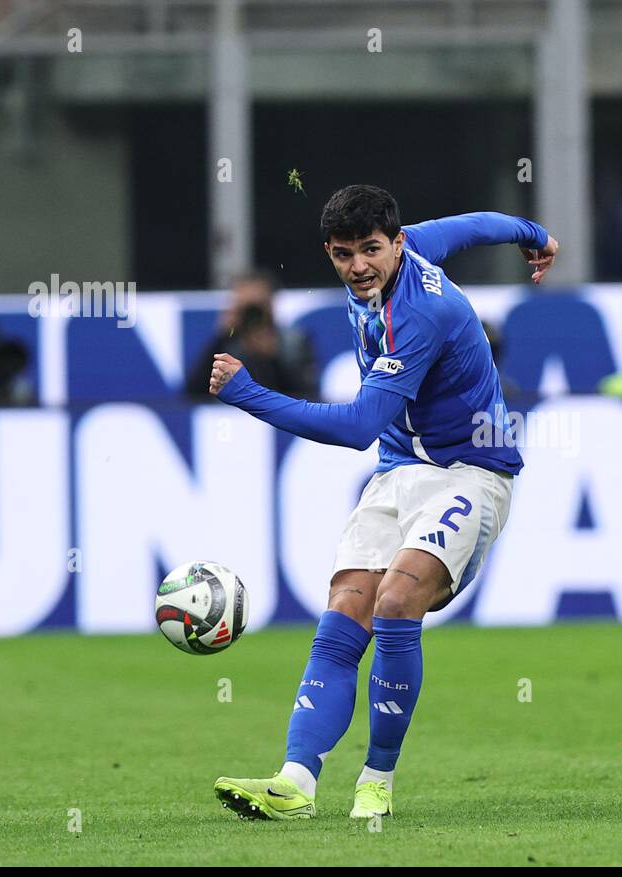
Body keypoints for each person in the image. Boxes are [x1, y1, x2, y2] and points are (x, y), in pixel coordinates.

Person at [208, 185, 559, 821]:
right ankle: (296, 781)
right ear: (331, 252)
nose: (359, 267)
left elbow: (356, 426)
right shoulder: (410, 245)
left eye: (371, 251)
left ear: (395, 244)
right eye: (345, 255)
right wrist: (532, 234)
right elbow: (470, 223)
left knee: (397, 600)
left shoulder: (419, 314)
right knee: (345, 609)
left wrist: (248, 394)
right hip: (399, 472)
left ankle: (378, 779)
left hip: (471, 472)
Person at [186, 269, 318, 401]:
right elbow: (194, 394)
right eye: (246, 307)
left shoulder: (294, 341)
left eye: (257, 305)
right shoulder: (226, 342)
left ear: (271, 304)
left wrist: (272, 358)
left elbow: (306, 396)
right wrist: (222, 336)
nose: (252, 314)